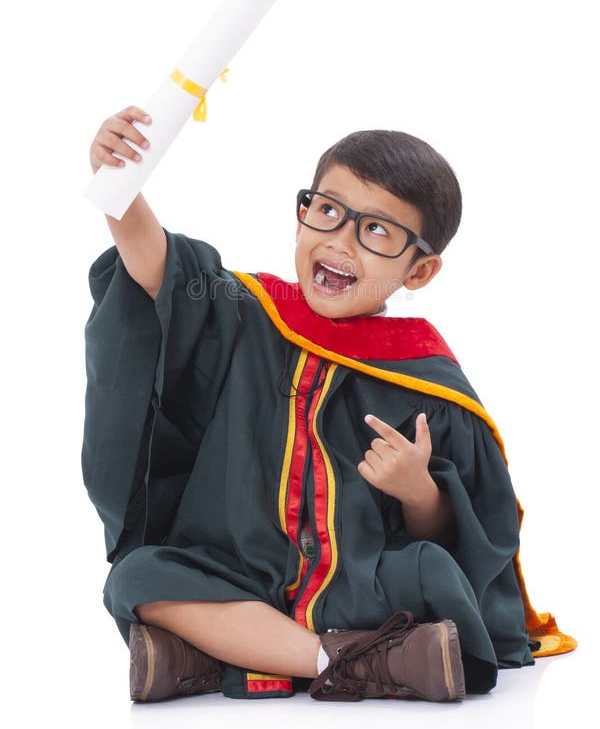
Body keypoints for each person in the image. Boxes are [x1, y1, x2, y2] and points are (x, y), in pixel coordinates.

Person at [83, 106, 573, 705]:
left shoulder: (423, 376)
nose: (340, 241)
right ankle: (350, 659)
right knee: (139, 576)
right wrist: (120, 189)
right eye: (329, 210)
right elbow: (156, 264)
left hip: (360, 585)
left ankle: (208, 655)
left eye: (376, 231)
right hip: (237, 573)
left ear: (419, 270)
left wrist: (418, 490)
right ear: (304, 214)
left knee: (431, 576)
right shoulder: (244, 312)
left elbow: (461, 538)